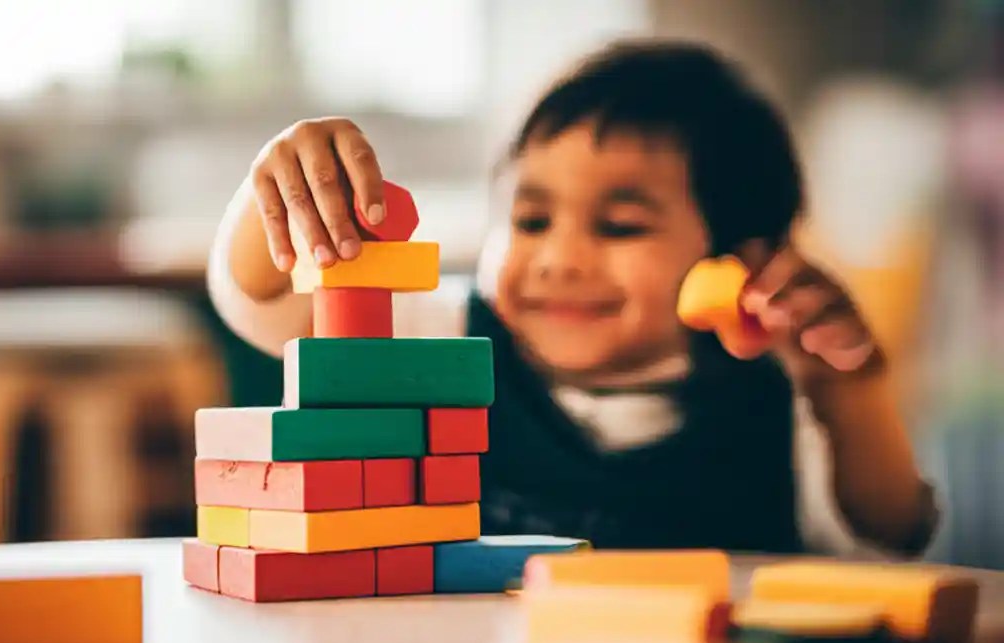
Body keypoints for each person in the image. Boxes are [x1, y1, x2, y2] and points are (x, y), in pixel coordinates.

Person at [207, 40, 938, 556]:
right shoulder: (442, 342)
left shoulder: (777, 387)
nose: (558, 259)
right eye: (530, 220)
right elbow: (261, 307)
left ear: (742, 258)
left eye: (619, 225)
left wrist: (850, 392)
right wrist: (273, 196)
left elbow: (886, 536)